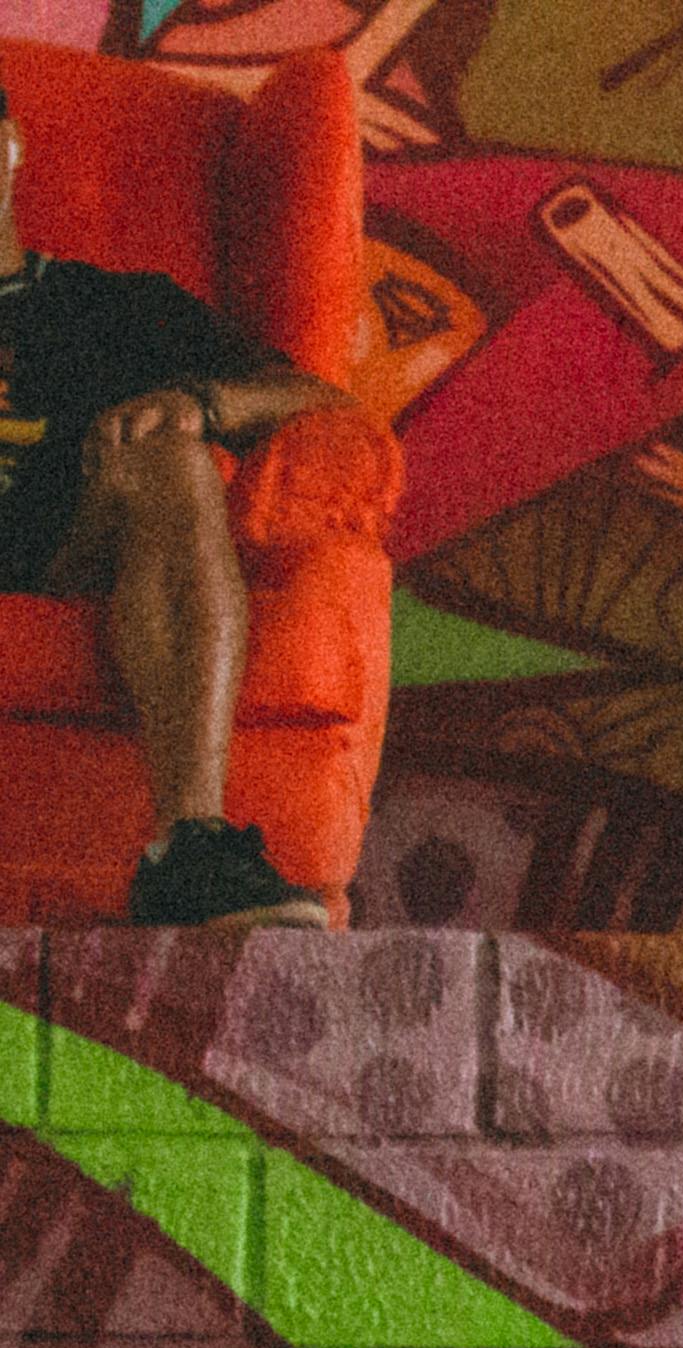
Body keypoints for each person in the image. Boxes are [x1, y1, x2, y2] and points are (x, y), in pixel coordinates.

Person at [0, 73, 347, 928]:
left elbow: (326, 402)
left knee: (173, 462)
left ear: (8, 152)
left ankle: (190, 851)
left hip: (52, 544)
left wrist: (206, 402)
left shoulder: (113, 307)